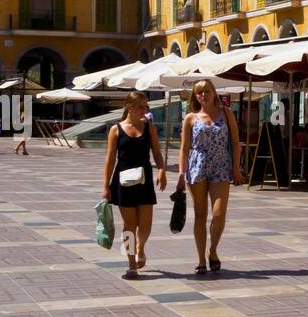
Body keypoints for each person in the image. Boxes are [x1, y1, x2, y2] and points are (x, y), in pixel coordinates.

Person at [178, 80, 242, 274]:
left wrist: (236, 168)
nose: (203, 95)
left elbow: (236, 142)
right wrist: (181, 173)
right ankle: (200, 259)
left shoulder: (226, 113)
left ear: (214, 93)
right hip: (197, 167)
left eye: (206, 91)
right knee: (200, 214)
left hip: (221, 165)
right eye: (199, 93)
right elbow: (184, 149)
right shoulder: (190, 117)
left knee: (218, 213)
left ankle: (212, 251)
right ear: (195, 96)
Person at [101, 91, 167, 279]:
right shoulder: (116, 130)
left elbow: (156, 151)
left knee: (145, 224)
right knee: (129, 224)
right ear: (129, 107)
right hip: (123, 183)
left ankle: (140, 247)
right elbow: (110, 159)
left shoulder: (149, 127)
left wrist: (161, 170)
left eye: (146, 106)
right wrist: (105, 186)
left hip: (144, 181)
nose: (144, 110)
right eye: (141, 106)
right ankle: (131, 264)